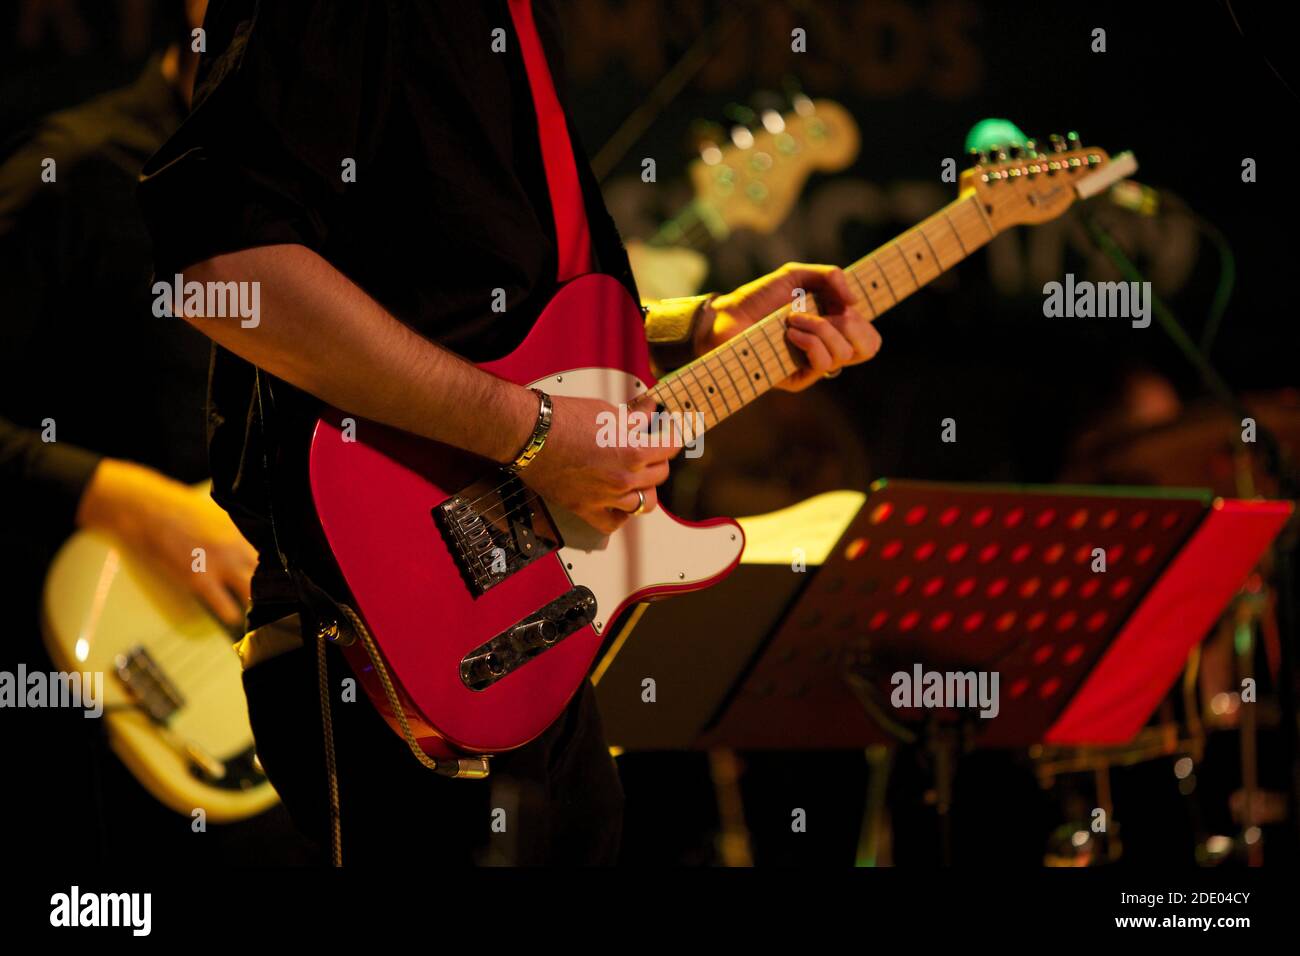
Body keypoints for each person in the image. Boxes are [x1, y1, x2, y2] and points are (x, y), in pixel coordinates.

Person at [137, 0, 881, 865]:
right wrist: (533, 436)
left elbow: (473, 310)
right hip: (388, 638)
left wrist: (693, 326)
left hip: (535, 642)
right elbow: (221, 264)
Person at [0, 4, 311, 864]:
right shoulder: (74, 171)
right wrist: (127, 501)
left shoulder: (313, 198)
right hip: (97, 693)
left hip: (281, 688)